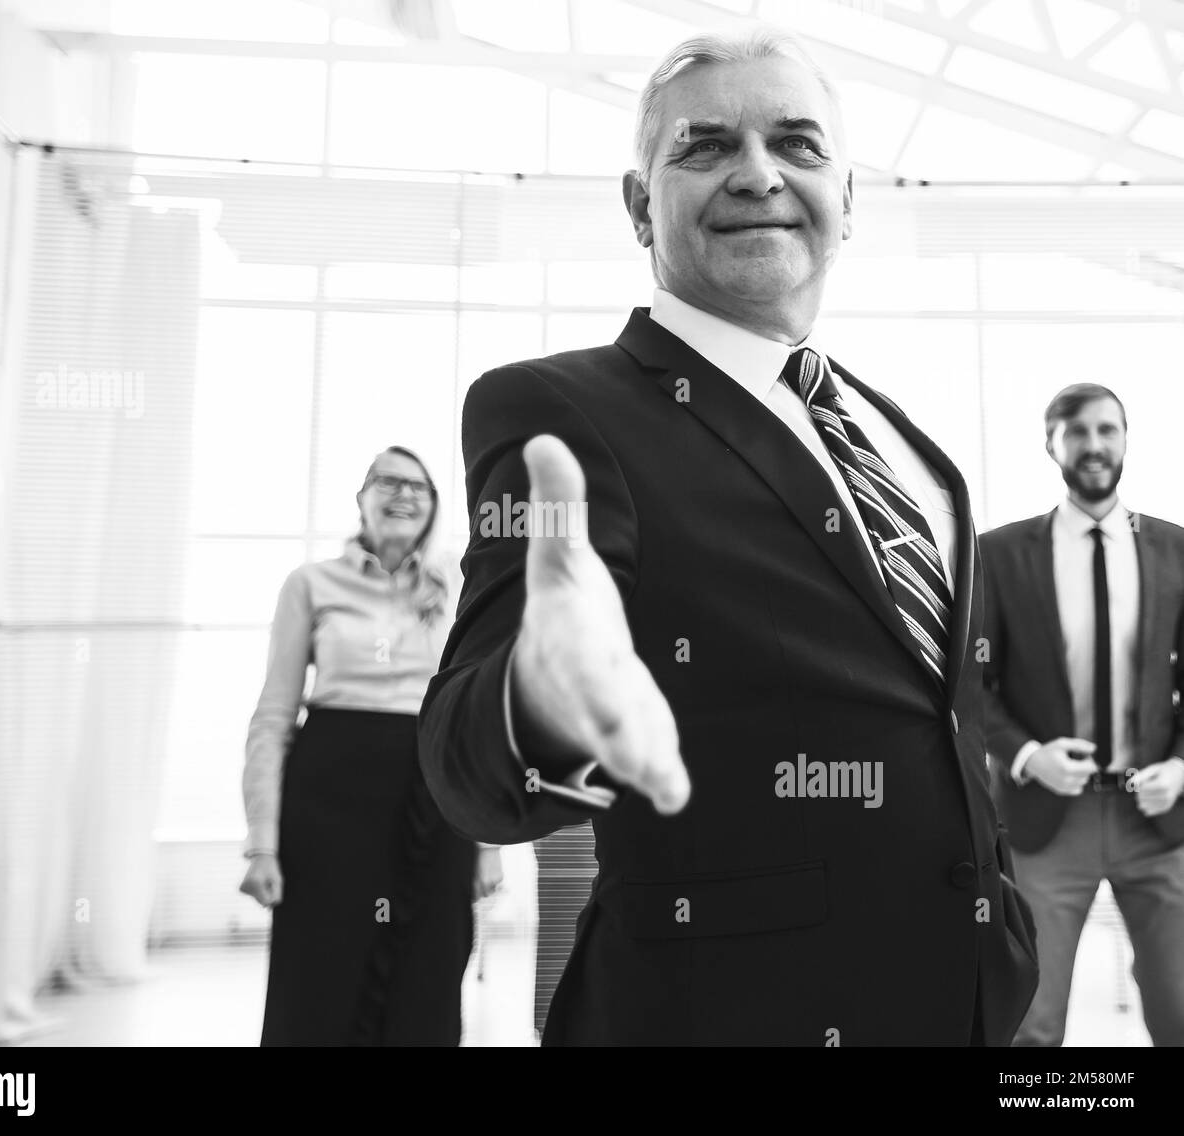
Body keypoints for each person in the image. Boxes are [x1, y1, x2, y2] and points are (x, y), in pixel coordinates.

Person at [417, 26, 1039, 1046]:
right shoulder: (561, 413)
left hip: (965, 996)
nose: (757, 174)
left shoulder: (904, 441)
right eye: (705, 148)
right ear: (637, 204)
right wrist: (536, 697)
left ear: (849, 199)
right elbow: (468, 762)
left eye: (796, 144)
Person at [240, 446, 502, 1046]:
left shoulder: (460, 587)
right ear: (361, 498)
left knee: (430, 969)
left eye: (419, 486)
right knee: (319, 973)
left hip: (435, 799)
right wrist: (262, 845)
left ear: (435, 507)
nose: (403, 493)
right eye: (387, 480)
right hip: (328, 801)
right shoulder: (309, 584)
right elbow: (274, 714)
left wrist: (489, 842)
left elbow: (477, 717)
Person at [981, 384, 1184, 1047]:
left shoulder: (1177, 550)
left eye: (1107, 430)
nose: (1094, 445)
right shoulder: (1000, 554)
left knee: (1180, 1011)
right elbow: (968, 685)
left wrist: (1182, 767)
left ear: (1125, 439)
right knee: (1030, 1024)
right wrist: (1026, 753)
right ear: (1052, 444)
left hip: (1158, 818)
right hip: (1045, 820)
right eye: (1077, 432)